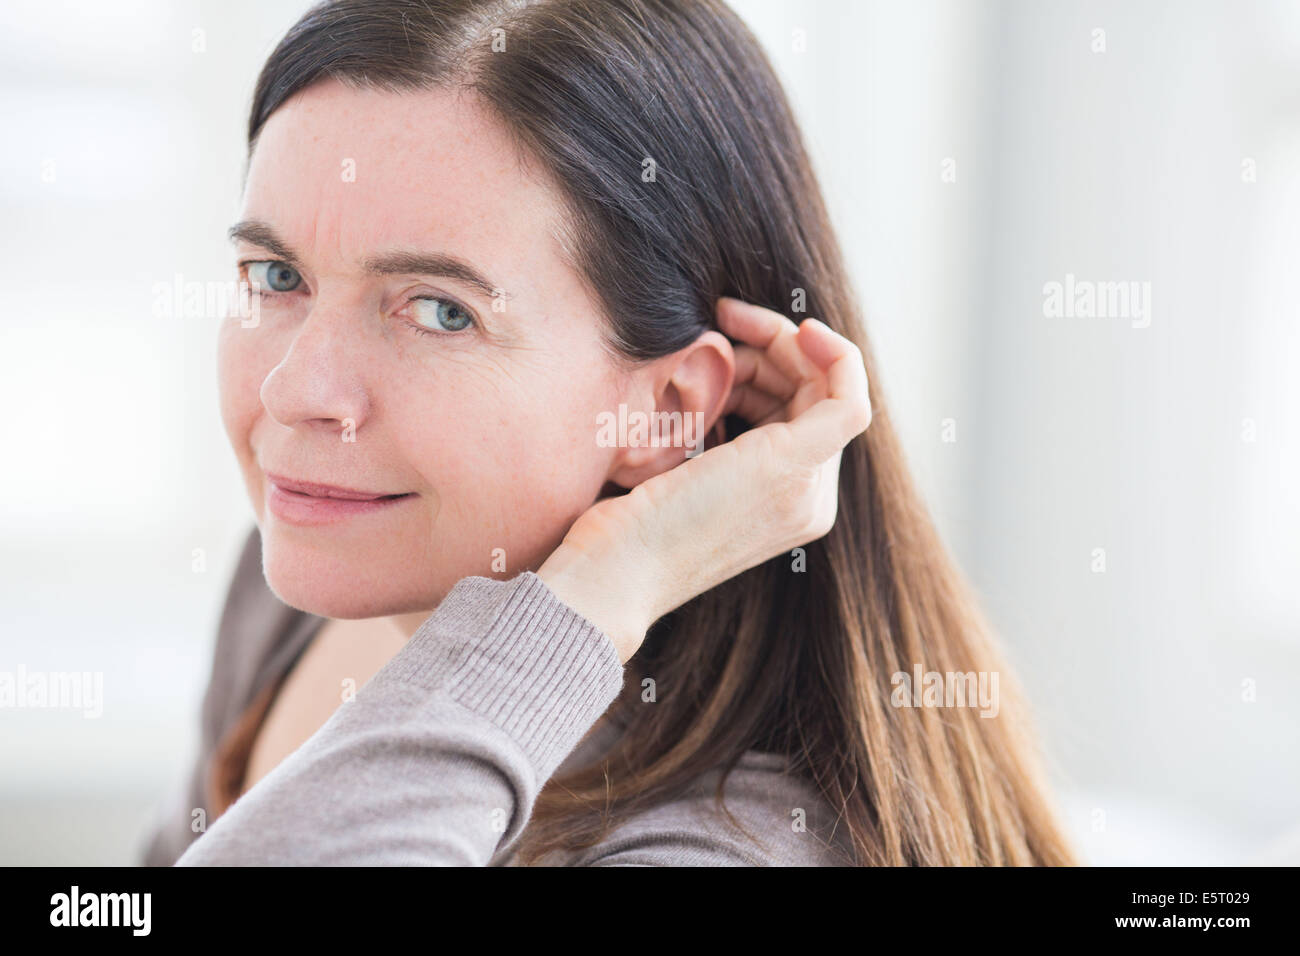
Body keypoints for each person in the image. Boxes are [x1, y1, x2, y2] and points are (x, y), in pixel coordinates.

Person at [140, 0, 1078, 866]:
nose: (296, 388)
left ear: (667, 408)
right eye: (274, 277)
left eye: (439, 311)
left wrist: (594, 601)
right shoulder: (306, 593)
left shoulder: (714, 847)